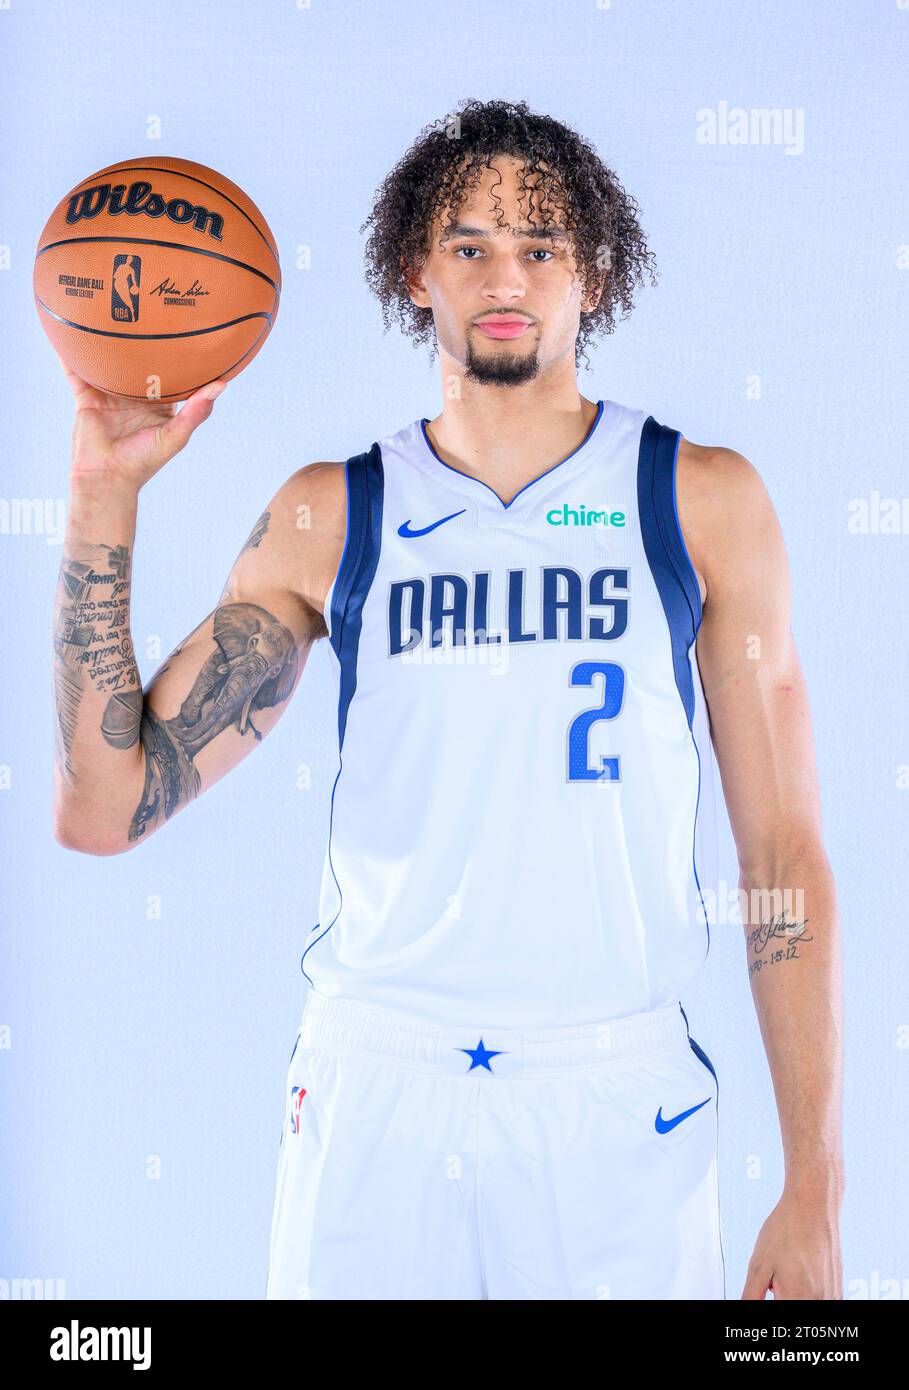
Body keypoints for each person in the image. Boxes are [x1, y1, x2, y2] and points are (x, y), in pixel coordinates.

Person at [52, 99, 844, 1300]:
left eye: (542, 244)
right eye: (468, 244)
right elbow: (103, 806)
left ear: (597, 269)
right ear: (416, 271)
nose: (504, 275)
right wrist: (100, 495)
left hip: (616, 1092)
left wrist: (813, 1186)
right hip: (380, 1085)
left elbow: (783, 852)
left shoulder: (700, 501)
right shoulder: (332, 512)